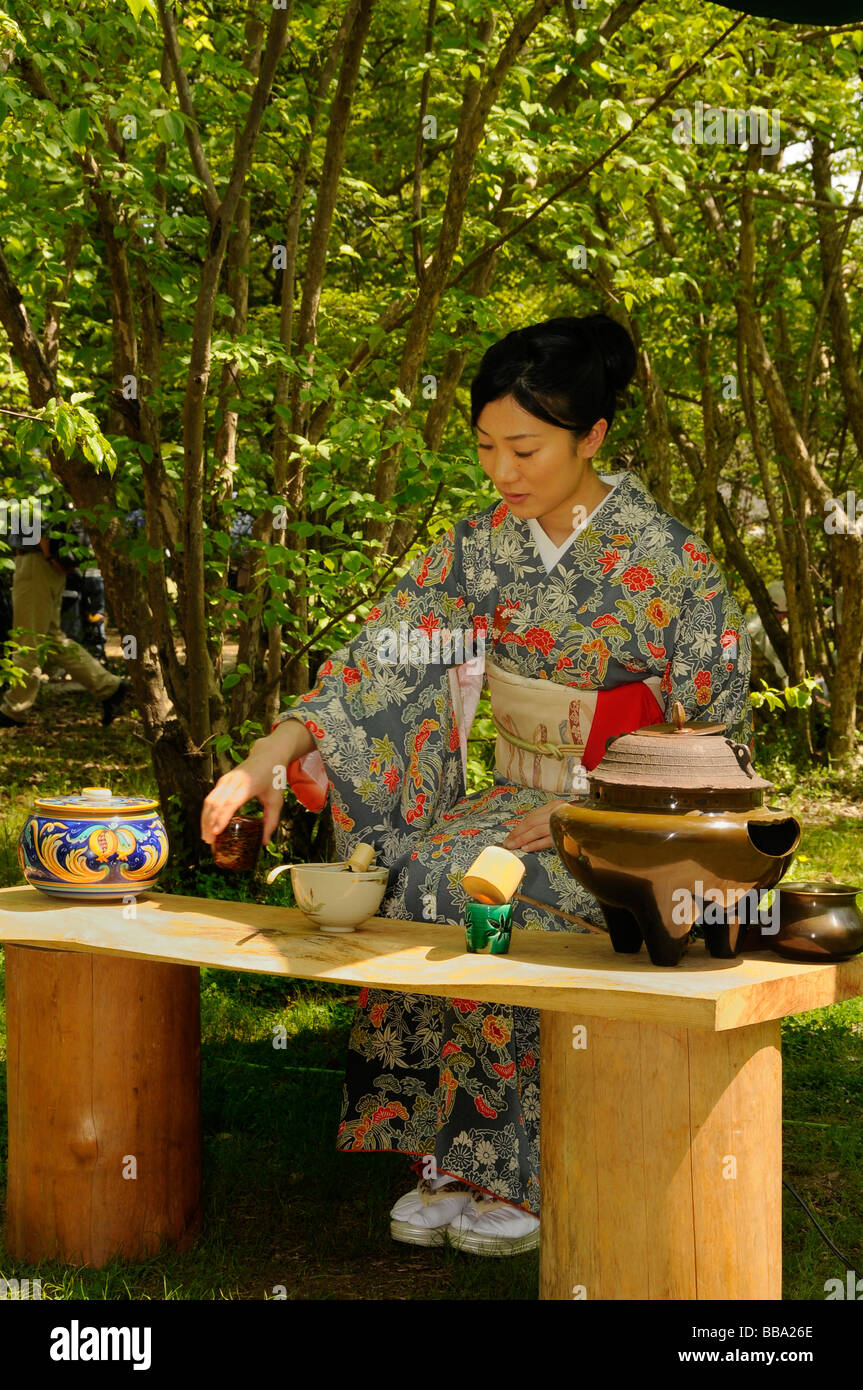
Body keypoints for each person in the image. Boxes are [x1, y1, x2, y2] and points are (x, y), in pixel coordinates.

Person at [201, 313, 751, 1256]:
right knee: (418, 872)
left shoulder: (672, 564)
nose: (502, 472)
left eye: (525, 449)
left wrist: (593, 807)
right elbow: (382, 660)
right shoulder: (477, 549)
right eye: (488, 447)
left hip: (630, 821)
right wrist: (268, 753)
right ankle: (445, 1156)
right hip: (510, 798)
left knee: (490, 888)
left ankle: (518, 1168)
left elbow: (716, 734)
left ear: (593, 437)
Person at [0, 504, 130, 729]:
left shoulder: (34, 483)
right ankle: (109, 687)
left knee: (27, 639)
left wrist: (49, 555)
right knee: (52, 639)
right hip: (43, 564)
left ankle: (15, 709)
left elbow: (40, 520)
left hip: (35, 562)